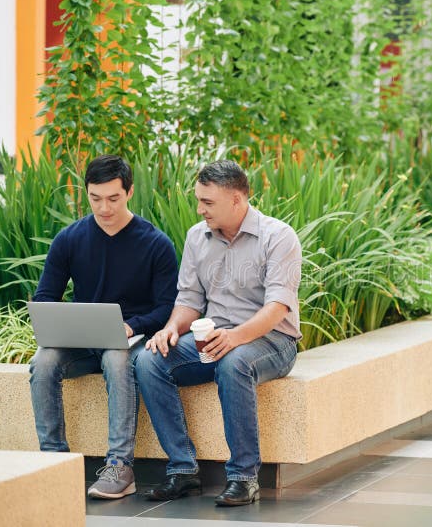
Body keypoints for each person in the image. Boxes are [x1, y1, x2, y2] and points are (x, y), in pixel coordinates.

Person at [135, 159, 301, 506]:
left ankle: (243, 478)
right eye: (199, 200)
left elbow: (277, 308)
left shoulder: (278, 236)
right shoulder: (197, 237)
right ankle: (183, 470)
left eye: (207, 202)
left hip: (272, 341)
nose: (200, 209)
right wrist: (170, 329)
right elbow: (189, 300)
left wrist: (234, 338)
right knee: (150, 361)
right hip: (214, 338)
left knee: (233, 362)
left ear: (236, 199)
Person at [29, 155, 179, 499]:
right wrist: (60, 322)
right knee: (43, 361)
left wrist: (131, 325)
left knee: (116, 357)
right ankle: (53, 461)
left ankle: (120, 466)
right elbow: (46, 295)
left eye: (113, 198)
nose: (104, 208)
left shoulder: (155, 243)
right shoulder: (69, 239)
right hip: (83, 338)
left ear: (130, 192)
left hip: (132, 337)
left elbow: (166, 308)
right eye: (95, 198)